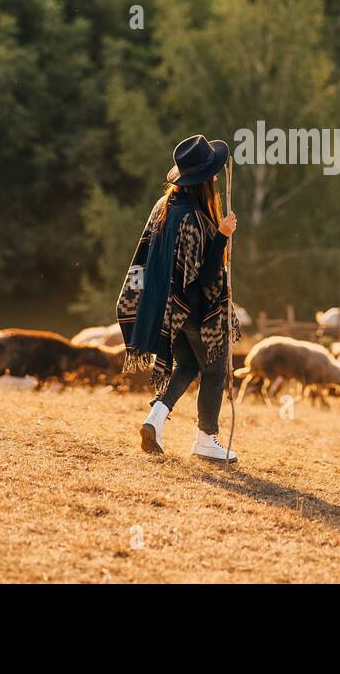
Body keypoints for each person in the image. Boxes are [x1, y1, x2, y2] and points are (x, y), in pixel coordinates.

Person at [118, 135, 240, 460]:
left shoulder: (164, 207)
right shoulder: (194, 219)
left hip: (172, 311)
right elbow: (203, 275)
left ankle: (154, 420)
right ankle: (206, 440)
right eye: (211, 173)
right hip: (198, 311)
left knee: (186, 365)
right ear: (202, 180)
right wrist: (221, 239)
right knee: (214, 371)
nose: (215, 178)